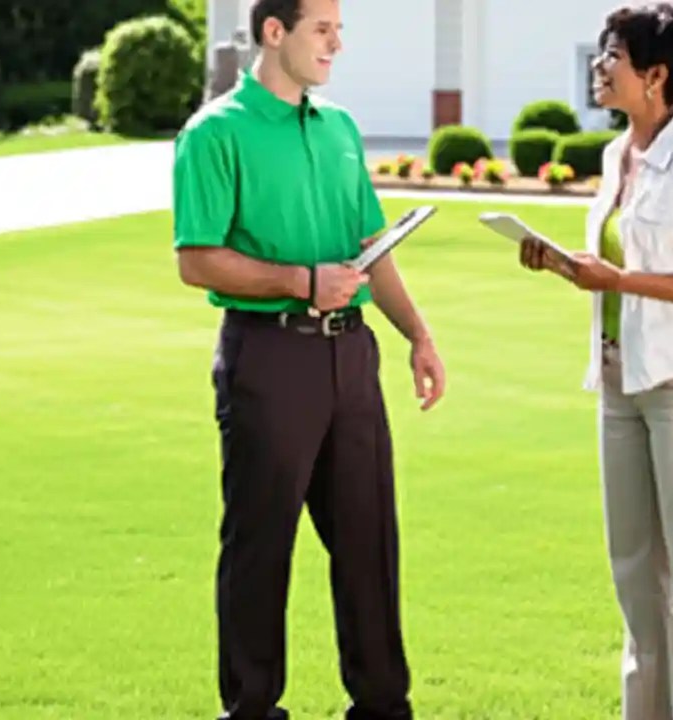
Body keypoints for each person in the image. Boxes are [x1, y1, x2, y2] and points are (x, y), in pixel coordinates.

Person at [171, 1, 445, 718]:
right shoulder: (214, 134)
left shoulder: (341, 129)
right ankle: (253, 710)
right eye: (322, 30)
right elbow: (197, 261)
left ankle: (384, 706)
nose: (337, 45)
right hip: (268, 359)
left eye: (339, 30)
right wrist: (302, 281)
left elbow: (369, 248)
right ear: (273, 31)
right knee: (261, 547)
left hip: (352, 359)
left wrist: (417, 334)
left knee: (369, 545)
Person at [520, 4, 673, 719]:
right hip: (620, 381)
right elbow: (618, 266)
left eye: (612, 55)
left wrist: (617, 280)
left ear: (655, 76)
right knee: (634, 571)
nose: (599, 66)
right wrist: (564, 266)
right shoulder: (615, 156)